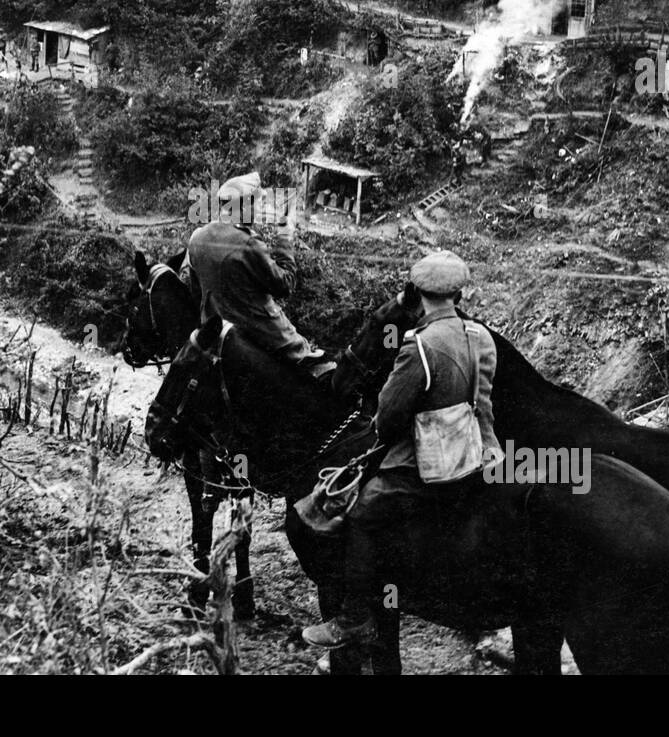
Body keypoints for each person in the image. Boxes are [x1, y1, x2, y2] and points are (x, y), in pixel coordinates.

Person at [303, 251, 501, 649]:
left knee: (362, 512)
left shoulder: (419, 346)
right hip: (473, 452)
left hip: (427, 463)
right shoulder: (480, 338)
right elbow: (483, 401)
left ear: (418, 294)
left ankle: (355, 617)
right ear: (458, 295)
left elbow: (387, 419)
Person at [180, 172, 332, 379]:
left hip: (216, 335)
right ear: (243, 207)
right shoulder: (248, 244)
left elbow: (195, 291)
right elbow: (285, 284)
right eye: (258, 203)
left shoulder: (197, 238)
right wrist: (285, 237)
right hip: (263, 335)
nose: (261, 209)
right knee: (320, 372)